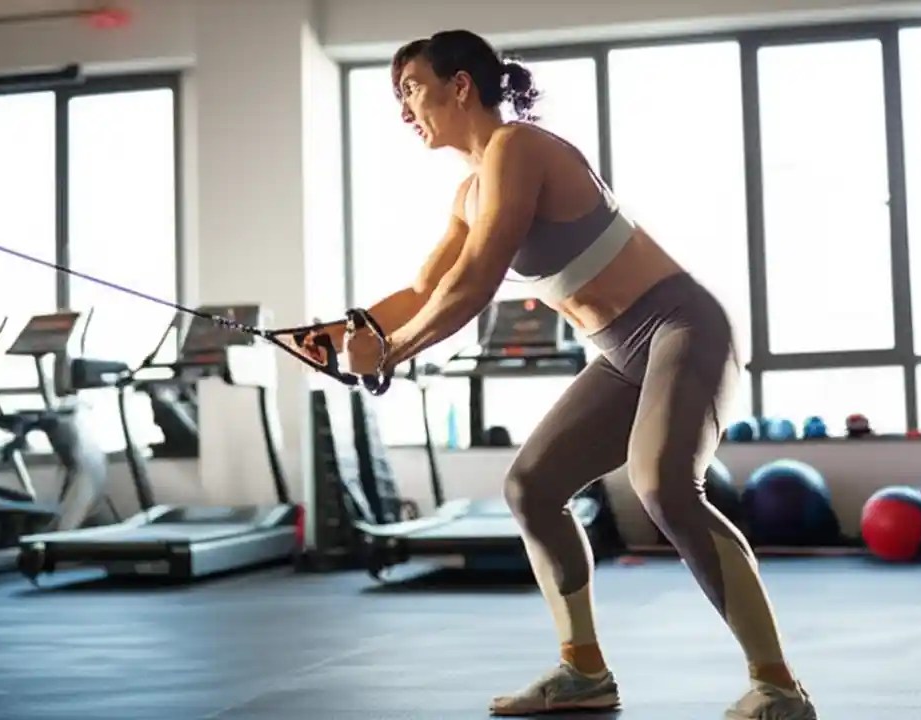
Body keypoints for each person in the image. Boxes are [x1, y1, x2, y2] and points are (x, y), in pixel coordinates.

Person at [302, 29, 818, 720]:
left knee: (663, 482)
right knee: (533, 486)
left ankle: (779, 687)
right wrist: (333, 336)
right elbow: (426, 288)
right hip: (619, 352)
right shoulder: (468, 194)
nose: (404, 110)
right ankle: (584, 672)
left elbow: (475, 282)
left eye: (412, 90)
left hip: (682, 328)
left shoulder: (519, 148)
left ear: (460, 87)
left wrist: (390, 351)